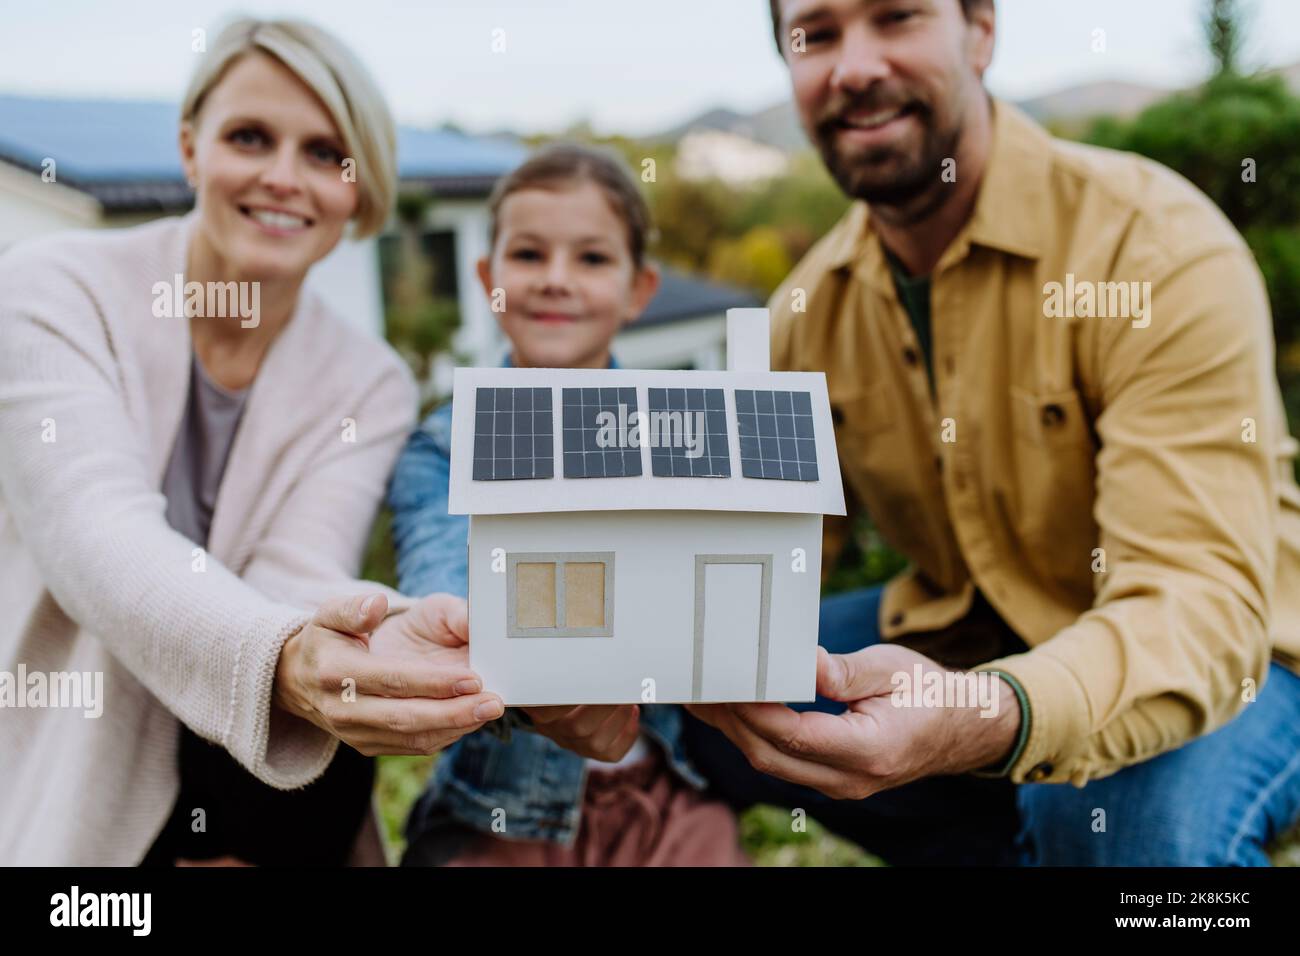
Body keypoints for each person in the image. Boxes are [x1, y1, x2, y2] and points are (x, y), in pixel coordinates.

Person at [684, 0, 1300, 866]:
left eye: (895, 17)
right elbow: (764, 576)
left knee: (1120, 829)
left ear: (981, 30)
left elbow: (1194, 598)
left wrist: (985, 716)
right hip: (975, 628)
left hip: (1242, 649)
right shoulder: (804, 315)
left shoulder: (1155, 249)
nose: (853, 66)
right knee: (716, 710)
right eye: (816, 34)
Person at [0, 18, 504, 867]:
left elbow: (294, 572)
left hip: (240, 779)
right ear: (191, 149)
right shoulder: (50, 290)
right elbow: (94, 536)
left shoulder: (368, 380)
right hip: (67, 751)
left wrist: (393, 631)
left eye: (323, 154)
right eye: (249, 137)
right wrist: (287, 654)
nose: (282, 177)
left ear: (359, 189)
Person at [387, 143, 750, 866]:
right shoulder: (445, 447)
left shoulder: (680, 438)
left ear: (639, 288)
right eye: (528, 255)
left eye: (591, 259)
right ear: (489, 279)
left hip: (660, 795)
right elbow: (444, 601)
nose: (557, 281)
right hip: (500, 812)